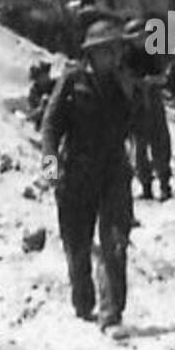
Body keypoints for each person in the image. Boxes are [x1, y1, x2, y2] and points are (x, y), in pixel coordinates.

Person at [40, 20, 136, 334]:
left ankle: (111, 314)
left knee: (115, 243)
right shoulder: (72, 80)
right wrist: (51, 172)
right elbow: (50, 127)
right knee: (77, 247)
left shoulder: (124, 82)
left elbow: (138, 122)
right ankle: (83, 302)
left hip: (113, 174)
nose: (114, 55)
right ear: (92, 54)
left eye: (116, 49)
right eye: (107, 50)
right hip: (76, 176)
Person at [122, 19, 172, 201]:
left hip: (153, 102)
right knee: (140, 149)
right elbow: (123, 78)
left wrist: (151, 81)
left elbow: (164, 77)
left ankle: (165, 185)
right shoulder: (126, 55)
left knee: (161, 144)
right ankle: (146, 186)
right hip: (136, 106)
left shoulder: (153, 52)